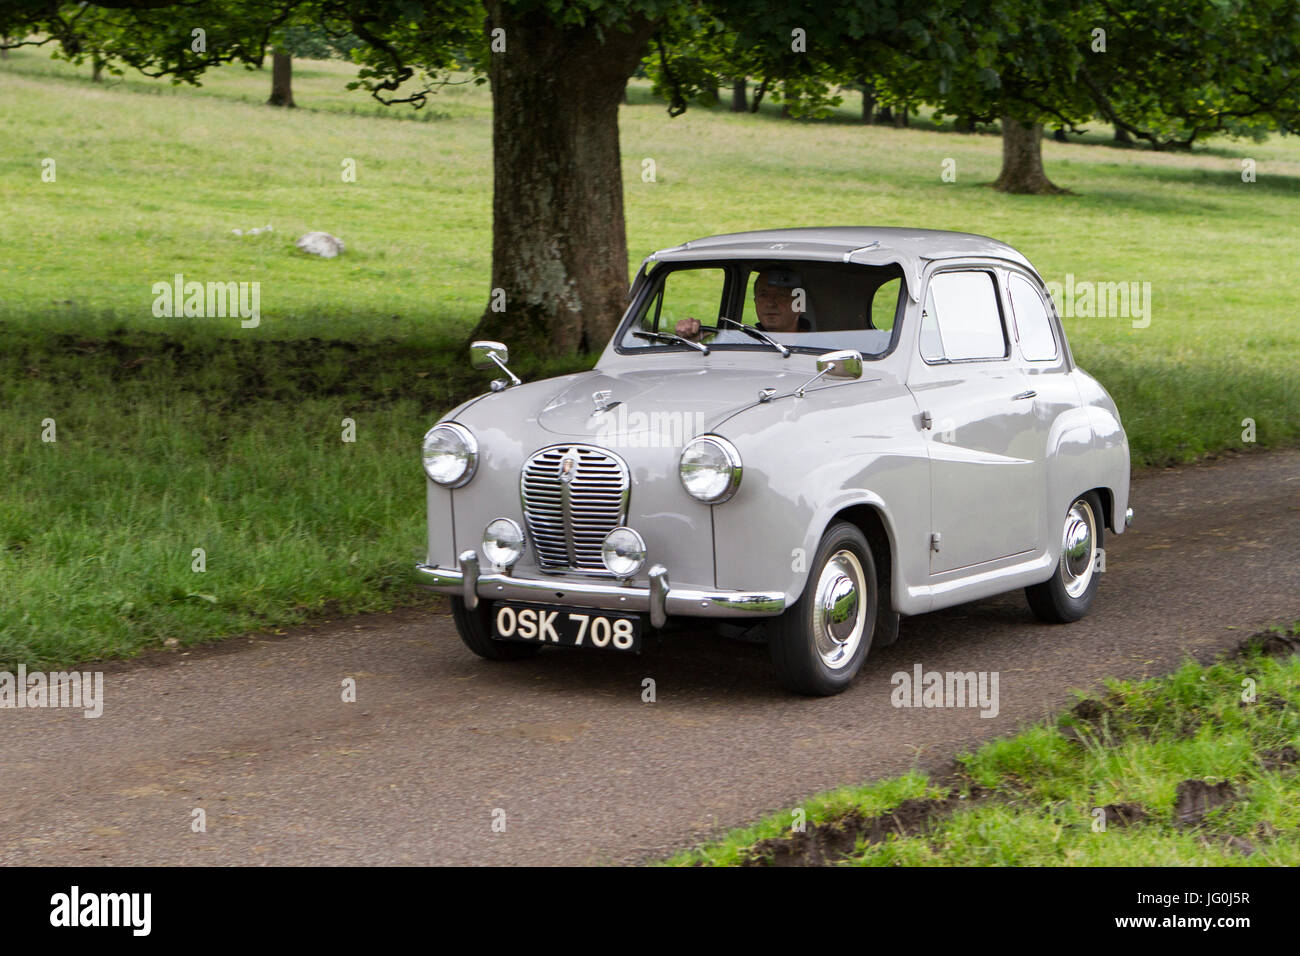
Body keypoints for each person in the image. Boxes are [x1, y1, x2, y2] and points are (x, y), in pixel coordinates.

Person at [674, 268, 811, 340]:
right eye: (763, 295)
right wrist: (691, 339)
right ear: (755, 301)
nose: (770, 303)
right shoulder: (741, 341)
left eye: (781, 295)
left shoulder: (820, 344)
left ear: (799, 304)